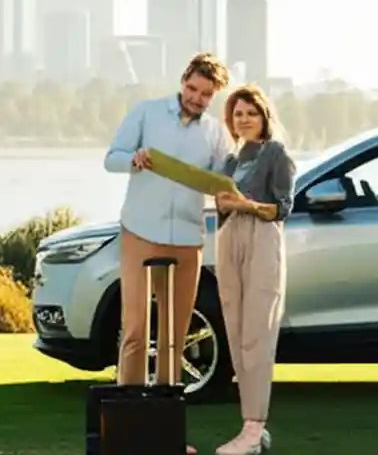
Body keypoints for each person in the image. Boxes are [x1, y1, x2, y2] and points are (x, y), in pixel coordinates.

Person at [103, 52, 233, 455]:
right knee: (137, 330)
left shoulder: (214, 133)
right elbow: (112, 159)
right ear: (183, 81)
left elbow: (224, 182)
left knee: (175, 337)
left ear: (213, 96)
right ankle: (125, 432)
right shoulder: (146, 113)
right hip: (141, 231)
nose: (196, 98)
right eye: (193, 88)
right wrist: (134, 160)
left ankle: (166, 435)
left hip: (188, 239)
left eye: (206, 94)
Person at [211, 84, 296, 455]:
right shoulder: (230, 161)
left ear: (263, 117)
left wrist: (248, 205)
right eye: (237, 114)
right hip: (230, 238)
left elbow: (283, 207)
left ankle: (253, 426)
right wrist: (226, 203)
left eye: (250, 113)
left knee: (257, 335)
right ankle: (252, 429)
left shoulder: (275, 153)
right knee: (235, 331)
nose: (243, 119)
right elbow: (224, 207)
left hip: (262, 238)